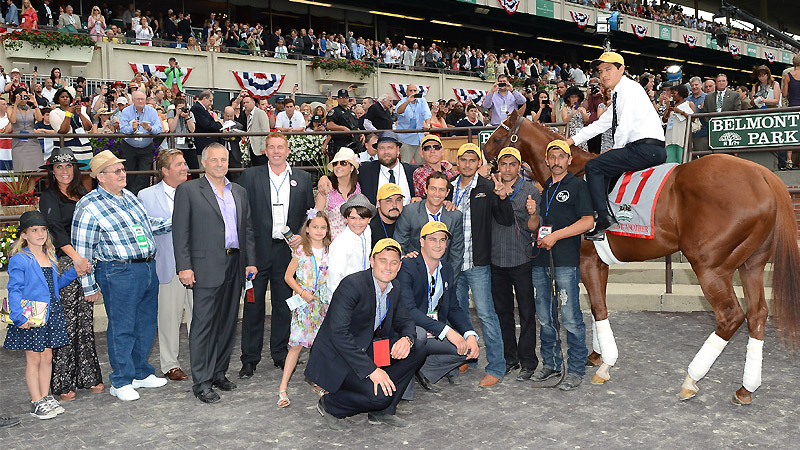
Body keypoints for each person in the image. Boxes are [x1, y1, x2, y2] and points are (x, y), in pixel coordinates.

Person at [71, 151, 172, 402]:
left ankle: (140, 372)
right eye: (116, 171)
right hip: (118, 271)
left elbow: (148, 224)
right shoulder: (88, 205)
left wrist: (179, 219)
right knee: (123, 327)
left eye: (122, 169)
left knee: (146, 324)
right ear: (100, 177)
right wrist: (88, 285)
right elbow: (83, 252)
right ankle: (121, 380)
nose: (122, 174)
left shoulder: (129, 196)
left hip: (147, 267)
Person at [305, 238, 425, 431]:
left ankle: (383, 412)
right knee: (379, 396)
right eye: (382, 260)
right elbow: (338, 334)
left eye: (394, 262)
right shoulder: (352, 285)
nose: (388, 266)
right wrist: (372, 370)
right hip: (339, 358)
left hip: (367, 349)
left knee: (418, 346)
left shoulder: (394, 287)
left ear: (399, 265)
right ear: (372, 261)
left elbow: (405, 321)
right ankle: (331, 404)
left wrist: (407, 339)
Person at [172, 143, 257, 403]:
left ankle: (219, 373)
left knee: (228, 323)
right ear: (204, 162)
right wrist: (184, 266)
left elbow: (248, 230)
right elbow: (180, 231)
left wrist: (250, 262)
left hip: (235, 264)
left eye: (224, 160)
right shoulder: (188, 190)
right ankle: (202, 381)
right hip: (204, 267)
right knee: (203, 325)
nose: (220, 164)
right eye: (215, 160)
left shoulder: (239, 191)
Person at [565, 52, 666, 240]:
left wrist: (617, 148)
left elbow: (624, 125)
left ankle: (603, 218)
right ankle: (608, 211)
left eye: (608, 69)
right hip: (647, 148)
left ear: (622, 69)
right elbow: (602, 124)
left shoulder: (628, 90)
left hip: (645, 148)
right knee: (602, 164)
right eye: (601, 71)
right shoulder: (621, 92)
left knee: (593, 166)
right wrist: (571, 141)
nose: (603, 75)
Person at [237, 132, 315, 377]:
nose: (276, 151)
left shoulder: (302, 178)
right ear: (265, 150)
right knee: (253, 305)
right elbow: (244, 214)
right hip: (258, 250)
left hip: (288, 251)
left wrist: (302, 237)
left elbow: (308, 215)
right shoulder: (250, 176)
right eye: (272, 147)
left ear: (288, 150)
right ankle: (249, 359)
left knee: (284, 305)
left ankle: (281, 353)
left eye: (281, 147)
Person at [4, 211, 88, 419]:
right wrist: (18, 317)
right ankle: (36, 401)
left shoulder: (49, 256)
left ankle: (45, 396)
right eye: (34, 230)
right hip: (31, 316)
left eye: (43, 229)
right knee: (34, 359)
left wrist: (74, 273)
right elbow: (14, 289)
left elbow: (54, 285)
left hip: (50, 314)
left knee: (47, 357)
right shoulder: (21, 259)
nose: (40, 234)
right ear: (24, 235)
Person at [38, 148, 103, 402]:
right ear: (52, 172)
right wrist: (77, 259)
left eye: (68, 167)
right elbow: (54, 230)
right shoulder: (48, 197)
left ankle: (88, 376)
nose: (64, 172)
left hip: (86, 262)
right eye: (59, 167)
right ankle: (62, 380)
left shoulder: (83, 194)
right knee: (65, 322)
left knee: (85, 320)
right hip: (63, 263)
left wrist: (88, 261)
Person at [530, 140, 595, 391]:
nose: (556, 160)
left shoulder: (578, 185)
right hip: (541, 260)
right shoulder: (545, 188)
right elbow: (538, 225)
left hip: (565, 261)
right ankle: (551, 363)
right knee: (545, 316)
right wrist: (534, 215)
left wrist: (556, 235)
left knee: (570, 317)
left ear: (569, 160)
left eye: (561, 156)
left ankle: (576, 369)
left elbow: (588, 221)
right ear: (546, 161)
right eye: (552, 156)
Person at [450, 143, 513, 387]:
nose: (467, 164)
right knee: (460, 314)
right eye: (462, 159)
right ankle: (468, 357)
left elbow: (505, 220)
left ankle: (496, 367)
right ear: (458, 162)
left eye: (471, 160)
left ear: (479, 163)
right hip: (453, 264)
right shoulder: (449, 187)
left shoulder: (487, 187)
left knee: (487, 315)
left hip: (477, 263)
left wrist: (503, 198)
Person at [397, 221, 479, 397]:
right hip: (411, 329)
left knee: (466, 349)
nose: (438, 244)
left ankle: (421, 370)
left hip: (432, 330)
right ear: (422, 242)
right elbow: (409, 311)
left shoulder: (447, 269)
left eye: (442, 240)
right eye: (433, 239)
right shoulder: (408, 266)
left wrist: (469, 334)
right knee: (417, 334)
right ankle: (403, 390)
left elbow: (454, 308)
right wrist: (447, 331)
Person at [137, 149, 193, 382]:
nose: (185, 168)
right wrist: (177, 222)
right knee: (169, 317)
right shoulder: (146, 195)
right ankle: (170, 364)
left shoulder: (196, 190)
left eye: (184, 163)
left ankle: (201, 359)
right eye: (179, 164)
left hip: (195, 263)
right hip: (167, 264)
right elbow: (145, 226)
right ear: (164, 170)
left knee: (198, 315)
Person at [490, 147, 540, 380]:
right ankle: (510, 358)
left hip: (521, 259)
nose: (507, 169)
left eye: (512, 164)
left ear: (519, 166)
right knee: (503, 312)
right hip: (496, 260)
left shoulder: (530, 190)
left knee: (527, 312)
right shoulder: (490, 189)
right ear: (498, 166)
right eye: (503, 164)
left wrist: (532, 215)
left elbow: (535, 226)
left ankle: (528, 361)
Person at [278, 209, 332, 408]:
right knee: (297, 345)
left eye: (323, 227)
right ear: (307, 229)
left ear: (327, 230)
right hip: (304, 304)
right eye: (315, 227)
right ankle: (283, 388)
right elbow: (288, 277)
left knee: (321, 344)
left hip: (323, 304)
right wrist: (302, 292)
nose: (319, 230)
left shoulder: (330, 251)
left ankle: (318, 381)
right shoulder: (300, 251)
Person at [394, 172, 464, 281]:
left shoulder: (455, 216)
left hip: (442, 276)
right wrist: (406, 264)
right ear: (425, 190)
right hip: (414, 274)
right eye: (433, 188)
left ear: (447, 192)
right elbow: (399, 245)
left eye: (441, 190)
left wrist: (448, 282)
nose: (437, 194)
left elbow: (456, 255)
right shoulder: (409, 211)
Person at [327, 193, 376, 294]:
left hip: (365, 289)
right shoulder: (340, 244)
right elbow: (334, 280)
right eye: (353, 218)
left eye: (362, 218)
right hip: (347, 293)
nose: (358, 223)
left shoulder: (367, 231)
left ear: (369, 219)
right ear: (346, 218)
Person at [118, 90, 162, 194]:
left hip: (146, 147)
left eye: (142, 99)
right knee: (130, 172)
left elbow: (159, 128)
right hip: (129, 146)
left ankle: (139, 195)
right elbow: (123, 129)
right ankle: (130, 194)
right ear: (133, 100)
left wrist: (150, 128)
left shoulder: (152, 111)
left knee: (145, 173)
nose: (140, 101)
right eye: (138, 99)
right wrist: (131, 129)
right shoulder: (126, 111)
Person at [315, 147, 361, 240]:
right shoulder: (326, 188)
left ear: (352, 167)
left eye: (343, 163)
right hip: (330, 242)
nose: (338, 166)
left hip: (354, 240)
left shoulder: (358, 188)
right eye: (335, 164)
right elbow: (317, 218)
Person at [47, 88, 94, 167]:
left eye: (67, 97)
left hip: (84, 146)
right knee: (72, 171)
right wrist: (68, 114)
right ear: (57, 99)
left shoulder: (80, 110)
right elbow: (62, 130)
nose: (65, 98)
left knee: (86, 172)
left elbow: (88, 127)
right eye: (62, 97)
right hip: (68, 146)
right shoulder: (55, 112)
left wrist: (80, 114)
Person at [6, 87, 43, 173]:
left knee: (33, 173)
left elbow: (40, 118)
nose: (23, 99)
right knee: (21, 173)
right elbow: (13, 120)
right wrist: (16, 104)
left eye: (25, 96)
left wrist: (35, 103)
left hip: (32, 142)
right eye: (21, 96)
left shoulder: (32, 110)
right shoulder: (10, 109)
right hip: (18, 142)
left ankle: (32, 187)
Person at [395, 85, 431, 164]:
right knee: (406, 164)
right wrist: (408, 101)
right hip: (406, 139)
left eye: (415, 91)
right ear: (407, 92)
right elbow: (398, 111)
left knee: (421, 165)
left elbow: (427, 114)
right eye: (410, 91)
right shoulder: (402, 101)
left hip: (419, 138)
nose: (413, 93)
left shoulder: (422, 101)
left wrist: (427, 125)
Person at [190, 90, 223, 176]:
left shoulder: (202, 109)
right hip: (202, 143)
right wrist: (219, 124)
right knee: (203, 167)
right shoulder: (197, 108)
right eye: (210, 100)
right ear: (204, 98)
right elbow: (206, 125)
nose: (211, 103)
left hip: (207, 142)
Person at [662, 84, 695, 164]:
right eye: (672, 93)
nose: (672, 95)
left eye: (674, 93)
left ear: (681, 94)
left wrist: (681, 112)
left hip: (682, 138)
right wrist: (669, 110)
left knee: (683, 161)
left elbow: (693, 118)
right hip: (670, 138)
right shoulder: (671, 105)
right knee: (669, 162)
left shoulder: (689, 104)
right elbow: (664, 120)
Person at [326, 89, 364, 153]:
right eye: (341, 97)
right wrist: (343, 128)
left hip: (354, 144)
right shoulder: (334, 111)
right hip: (341, 144)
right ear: (337, 99)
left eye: (346, 97)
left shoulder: (352, 113)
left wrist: (361, 134)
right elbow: (329, 125)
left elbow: (355, 126)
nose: (344, 99)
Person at [242, 94, 269, 166]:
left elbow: (265, 130)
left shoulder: (260, 113)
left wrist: (264, 146)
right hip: (252, 146)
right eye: (244, 103)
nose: (245, 104)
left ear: (253, 102)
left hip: (260, 148)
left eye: (247, 102)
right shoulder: (249, 115)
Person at [561, 86, 590, 152]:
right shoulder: (565, 108)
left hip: (581, 133)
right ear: (568, 98)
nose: (574, 99)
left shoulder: (582, 108)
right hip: (570, 133)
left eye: (576, 97)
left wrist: (582, 112)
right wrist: (571, 114)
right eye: (572, 97)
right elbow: (565, 120)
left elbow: (587, 120)